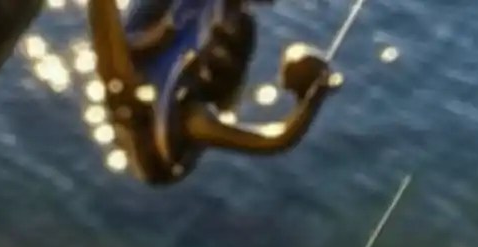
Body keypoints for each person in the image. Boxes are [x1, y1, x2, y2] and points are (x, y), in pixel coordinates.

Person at [86, 0, 339, 184]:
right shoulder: (222, 24)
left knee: (122, 70)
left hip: (153, 143)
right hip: (152, 67)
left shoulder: (190, 118)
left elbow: (274, 140)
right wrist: (312, 97)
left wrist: (313, 98)